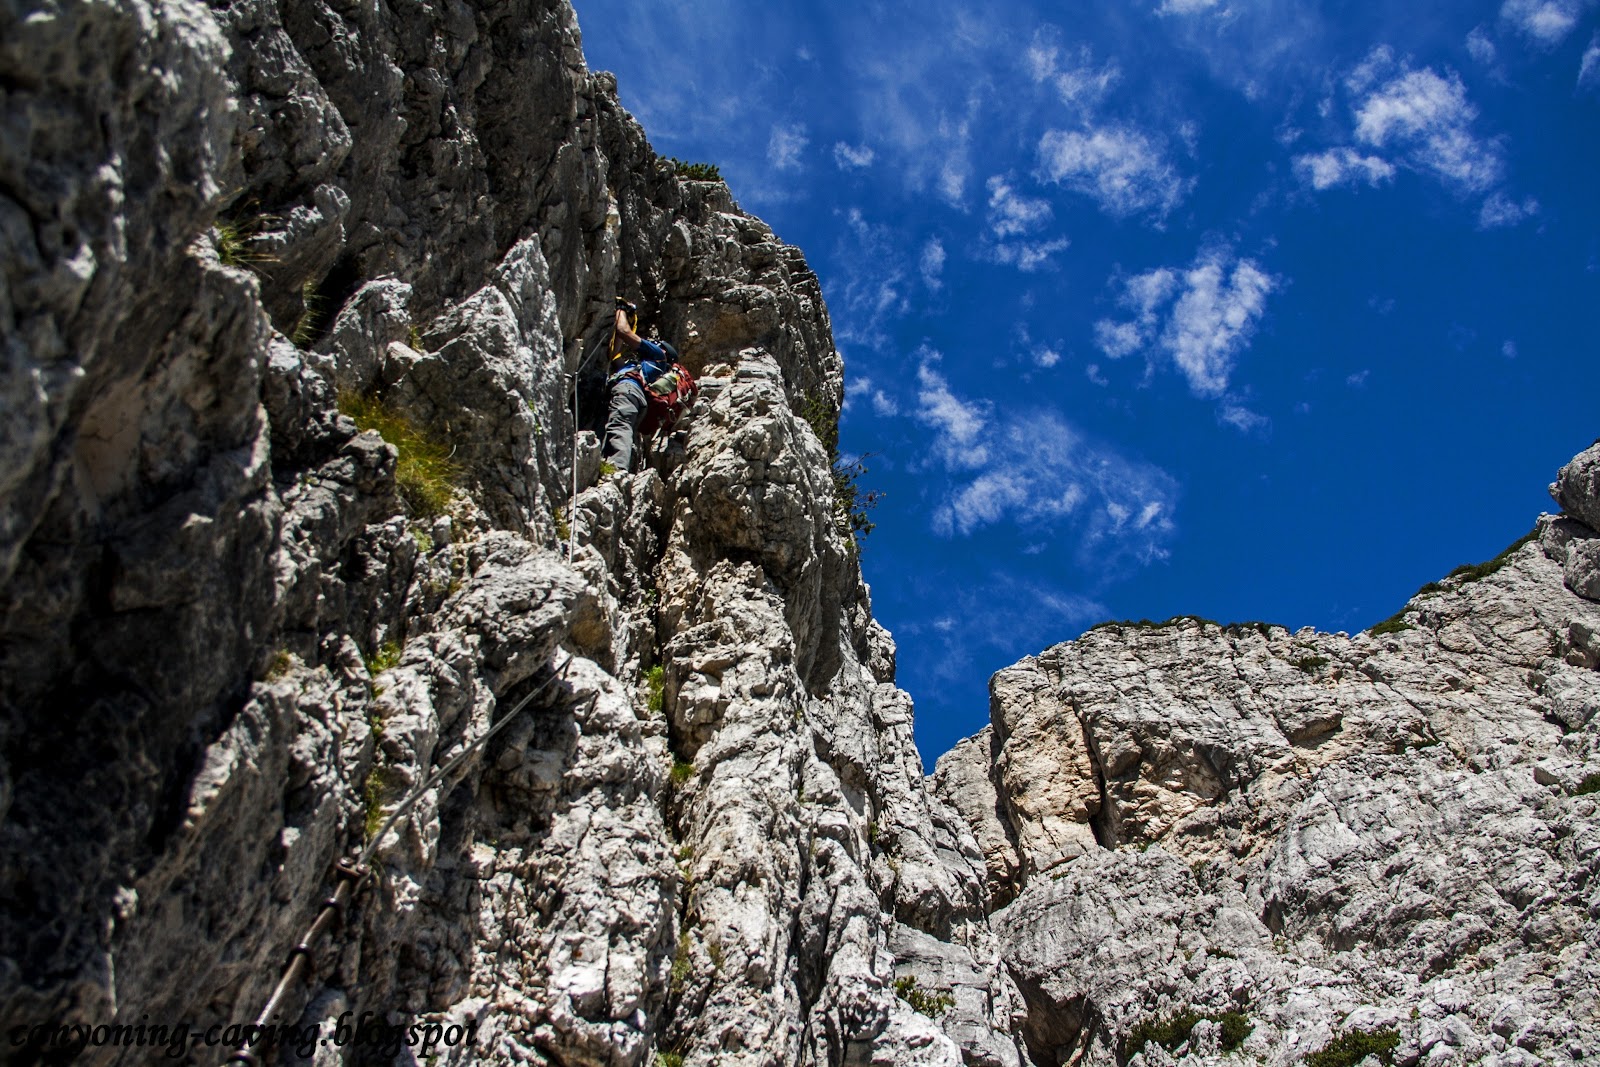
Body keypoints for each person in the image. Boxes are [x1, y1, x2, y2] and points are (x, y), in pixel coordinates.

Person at [601, 298, 680, 472]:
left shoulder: (659, 355)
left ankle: (616, 472)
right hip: (631, 395)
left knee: (619, 426)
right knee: (616, 429)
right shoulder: (639, 369)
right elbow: (614, 356)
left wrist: (621, 311)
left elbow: (623, 332)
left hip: (628, 392)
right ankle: (611, 468)